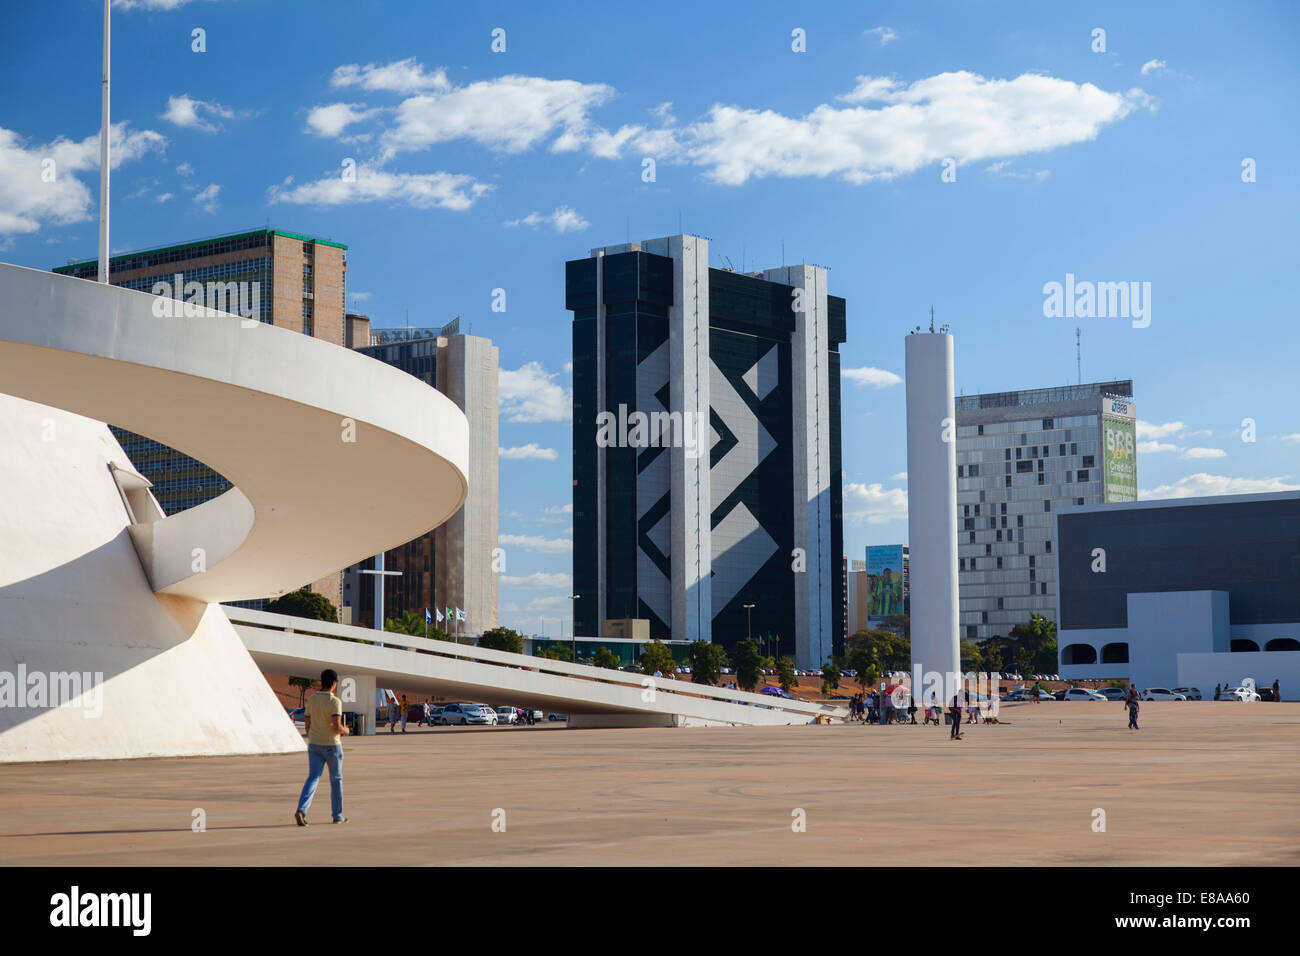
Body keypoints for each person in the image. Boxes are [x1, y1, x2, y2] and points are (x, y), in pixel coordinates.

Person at [296, 668, 350, 826]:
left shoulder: (312, 699)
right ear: (334, 683)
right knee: (336, 780)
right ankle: (337, 815)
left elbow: (307, 725)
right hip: (332, 746)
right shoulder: (335, 702)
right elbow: (336, 726)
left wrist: (314, 735)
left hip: (314, 744)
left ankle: (302, 809)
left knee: (313, 777)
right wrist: (346, 730)